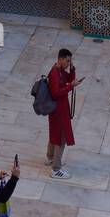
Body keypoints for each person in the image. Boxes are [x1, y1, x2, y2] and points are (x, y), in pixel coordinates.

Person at [46, 48, 84, 178]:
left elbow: (68, 79)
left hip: (59, 109)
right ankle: (56, 169)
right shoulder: (55, 74)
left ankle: (50, 157)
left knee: (54, 134)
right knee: (60, 139)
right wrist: (70, 86)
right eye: (67, 61)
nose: (68, 63)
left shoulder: (59, 70)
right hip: (58, 110)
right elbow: (56, 93)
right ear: (60, 59)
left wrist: (72, 70)